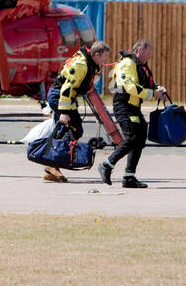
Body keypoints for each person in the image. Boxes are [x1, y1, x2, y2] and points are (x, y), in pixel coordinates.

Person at [99, 39, 168, 189]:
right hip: (123, 107)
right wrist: (152, 94)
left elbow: (147, 83)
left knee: (140, 137)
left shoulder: (140, 66)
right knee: (131, 138)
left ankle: (129, 177)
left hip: (134, 107)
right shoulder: (127, 64)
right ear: (139, 51)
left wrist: (157, 87)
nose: (149, 57)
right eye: (148, 54)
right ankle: (107, 164)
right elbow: (130, 87)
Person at [42, 39, 112, 183]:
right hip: (60, 96)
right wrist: (63, 112)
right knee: (74, 129)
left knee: (68, 130)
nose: (106, 60)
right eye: (105, 57)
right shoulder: (81, 65)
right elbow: (67, 88)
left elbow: (85, 83)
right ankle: (51, 165)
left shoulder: (90, 64)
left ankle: (52, 166)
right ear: (97, 55)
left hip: (66, 98)